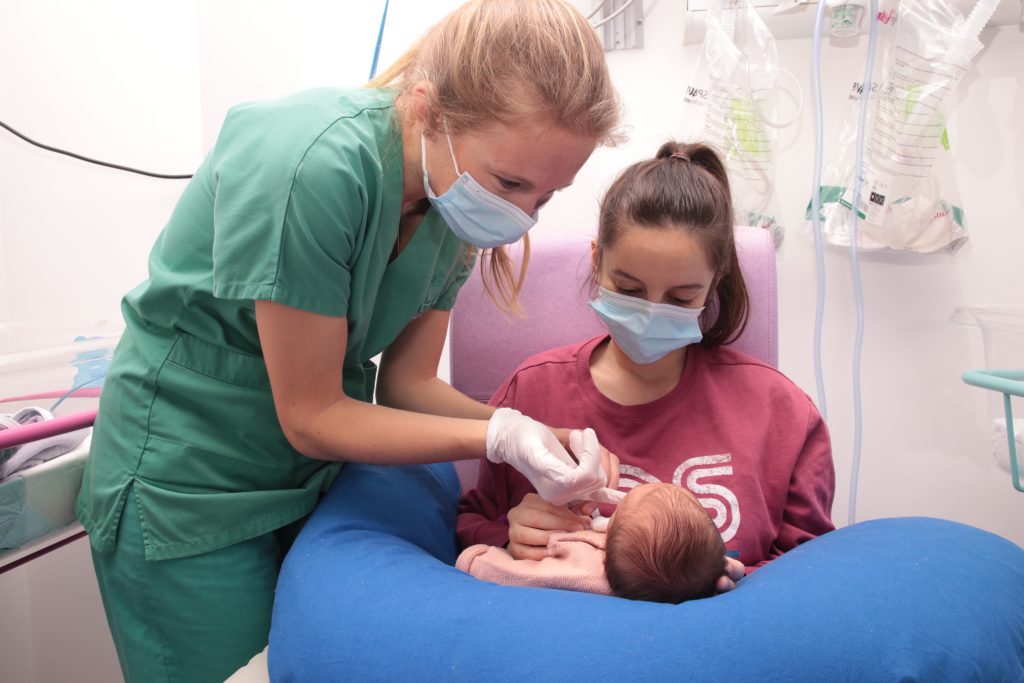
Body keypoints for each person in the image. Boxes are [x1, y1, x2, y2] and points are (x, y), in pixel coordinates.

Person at [74, 2, 624, 681]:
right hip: (187, 481)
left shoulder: (451, 203)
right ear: (428, 109)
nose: (518, 220)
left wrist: (535, 429)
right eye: (511, 183)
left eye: (545, 197)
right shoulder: (310, 166)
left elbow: (406, 385)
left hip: (302, 480)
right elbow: (313, 415)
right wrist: (496, 438)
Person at [457, 141, 836, 578]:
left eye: (680, 297)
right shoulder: (532, 393)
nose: (651, 312)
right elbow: (472, 523)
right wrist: (510, 534)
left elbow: (810, 573)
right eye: (630, 290)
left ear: (715, 282)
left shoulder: (782, 413)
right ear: (598, 261)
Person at [457, 481, 726, 604]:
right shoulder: (691, 581)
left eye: (617, 513)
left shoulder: (574, 568)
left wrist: (479, 556)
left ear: (604, 552)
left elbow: (510, 574)